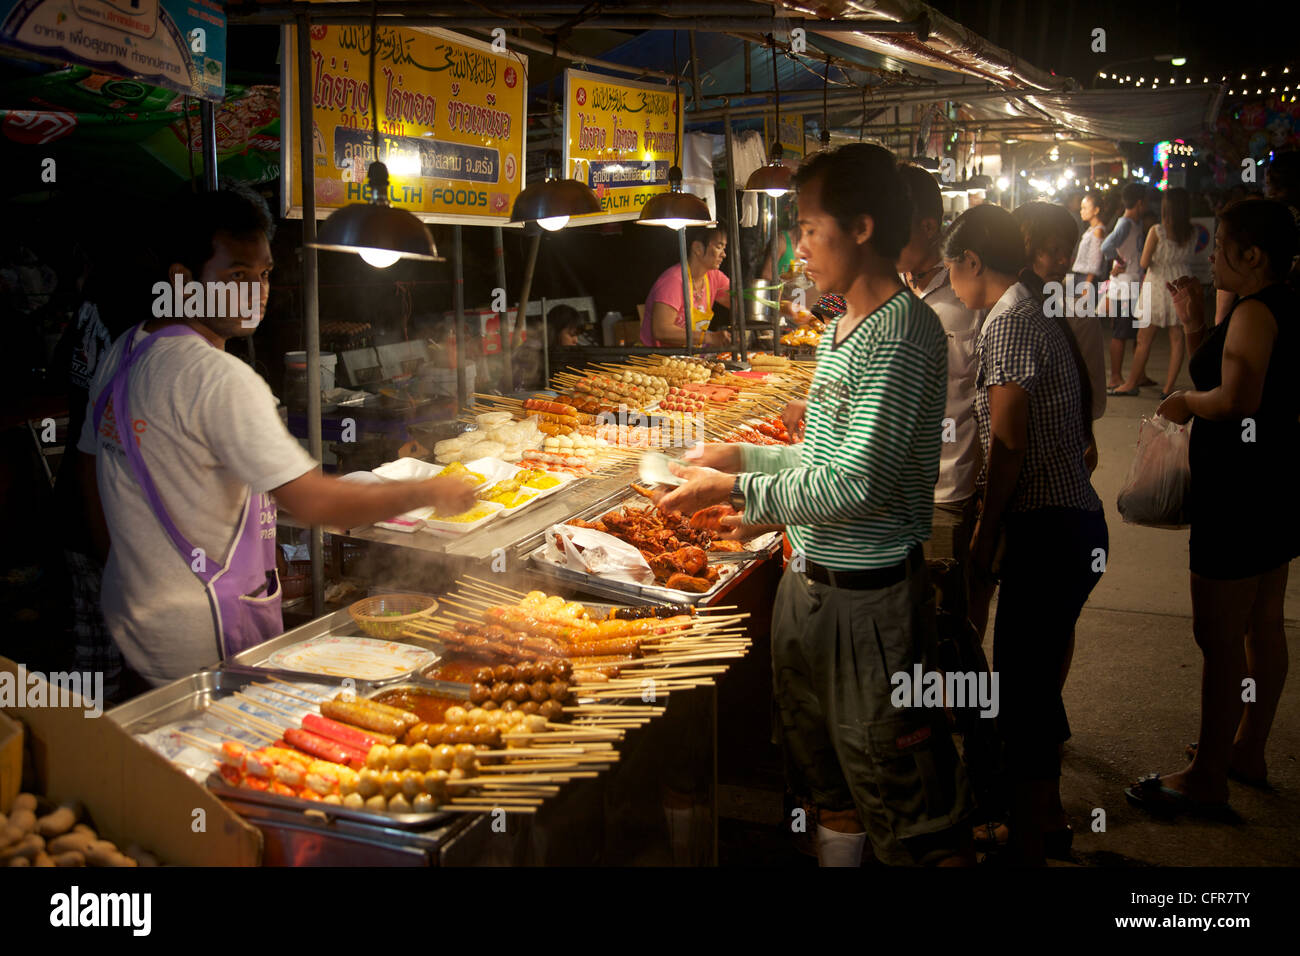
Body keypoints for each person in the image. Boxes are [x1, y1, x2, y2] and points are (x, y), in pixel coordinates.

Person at [657, 143, 974, 867]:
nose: (797, 245)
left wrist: (738, 490)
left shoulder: (902, 334)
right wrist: (742, 457)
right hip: (811, 588)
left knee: (905, 803)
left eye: (807, 227)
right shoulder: (840, 326)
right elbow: (824, 460)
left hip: (868, 610)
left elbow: (855, 485)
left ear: (861, 228)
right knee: (826, 780)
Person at [77, 186, 476, 689]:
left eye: (264, 274)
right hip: (203, 641)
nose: (258, 291)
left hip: (133, 623)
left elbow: (92, 472)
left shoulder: (125, 350)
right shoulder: (219, 378)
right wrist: (428, 491)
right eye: (237, 275)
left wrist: (135, 566)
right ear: (182, 279)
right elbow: (312, 503)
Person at [943, 203, 1108, 865]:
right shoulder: (1030, 311)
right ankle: (1043, 822)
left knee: (1022, 693)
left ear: (971, 262)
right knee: (1031, 684)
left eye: (952, 271)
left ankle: (1029, 842)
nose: (951, 284)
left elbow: (1008, 438)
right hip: (1069, 526)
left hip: (1048, 529)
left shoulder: (1008, 320)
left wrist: (985, 534)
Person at [1129, 199, 1299, 817]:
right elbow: (1228, 377)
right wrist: (1197, 326)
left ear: (1252, 255)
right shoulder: (1277, 306)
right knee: (1262, 626)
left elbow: (1235, 400)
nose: (1210, 252)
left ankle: (1207, 776)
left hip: (1241, 494)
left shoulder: (1256, 312)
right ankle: (1246, 749)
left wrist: (1183, 402)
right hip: (1275, 487)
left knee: (1219, 637)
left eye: (1221, 242)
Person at [896, 162, 985, 629]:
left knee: (943, 627)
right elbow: (828, 305)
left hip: (946, 491)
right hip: (901, 489)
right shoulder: (901, 285)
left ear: (929, 227)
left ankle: (959, 703)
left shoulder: (968, 294)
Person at [1113, 188, 1199, 398]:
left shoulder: (1157, 231)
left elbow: (1144, 262)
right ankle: (1169, 388)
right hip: (1181, 282)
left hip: (1158, 284)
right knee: (1177, 338)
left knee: (1144, 338)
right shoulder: (1193, 232)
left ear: (1165, 207)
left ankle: (1131, 383)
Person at [640, 223, 731, 348]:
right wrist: (709, 337)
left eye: (724, 248)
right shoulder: (673, 281)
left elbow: (738, 302)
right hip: (660, 359)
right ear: (698, 248)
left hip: (689, 356)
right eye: (719, 247)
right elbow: (661, 330)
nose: (723, 254)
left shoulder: (714, 277)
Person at [1101, 183, 1149, 392]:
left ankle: (1139, 374)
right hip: (1124, 287)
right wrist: (1119, 262)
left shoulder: (1133, 223)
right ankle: (1115, 377)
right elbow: (1106, 246)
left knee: (1136, 331)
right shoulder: (1126, 223)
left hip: (1133, 285)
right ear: (1140, 202)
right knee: (1121, 332)